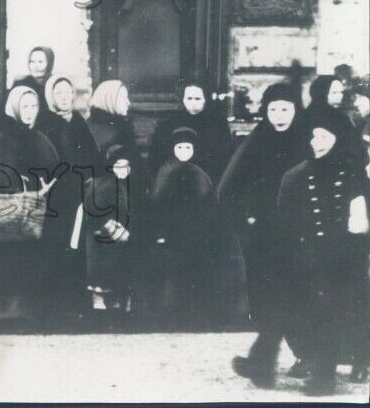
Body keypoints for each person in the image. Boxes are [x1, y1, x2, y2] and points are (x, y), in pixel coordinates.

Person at [222, 83, 312, 388]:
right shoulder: (258, 139)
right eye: (273, 109)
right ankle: (285, 359)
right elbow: (229, 188)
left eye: (285, 108)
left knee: (291, 296)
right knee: (273, 298)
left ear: (296, 109)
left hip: (303, 233)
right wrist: (245, 220)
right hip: (266, 234)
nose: (278, 115)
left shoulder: (308, 139)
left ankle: (265, 362)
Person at [276, 108, 370, 395]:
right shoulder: (300, 173)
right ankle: (313, 359)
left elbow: (359, 225)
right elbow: (288, 221)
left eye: (324, 136)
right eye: (313, 136)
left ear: (338, 138)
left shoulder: (353, 172)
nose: (317, 142)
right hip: (310, 253)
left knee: (339, 303)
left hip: (348, 255)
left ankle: (338, 369)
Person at [0, 85, 61, 326]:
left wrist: (47, 185)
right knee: (9, 258)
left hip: (36, 207)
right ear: (15, 108)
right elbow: (0, 173)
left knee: (29, 259)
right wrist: (25, 189)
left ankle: (26, 312)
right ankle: (3, 313)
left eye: (33, 106)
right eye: (24, 106)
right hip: (14, 206)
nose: (30, 111)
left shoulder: (39, 136)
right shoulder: (5, 137)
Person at [35, 74, 100, 324]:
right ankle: (52, 305)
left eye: (67, 92)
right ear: (51, 96)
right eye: (59, 93)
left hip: (78, 192)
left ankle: (74, 303)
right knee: (55, 245)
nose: (64, 97)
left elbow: (92, 156)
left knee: (77, 246)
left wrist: (90, 179)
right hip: (55, 195)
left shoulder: (79, 123)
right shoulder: (45, 122)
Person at [148, 127, 220, 328]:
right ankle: (170, 314)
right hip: (173, 232)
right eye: (179, 147)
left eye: (188, 147)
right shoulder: (166, 171)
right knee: (173, 272)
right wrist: (160, 232)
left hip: (196, 232)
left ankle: (194, 313)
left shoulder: (200, 173)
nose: (184, 151)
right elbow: (157, 203)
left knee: (195, 270)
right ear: (173, 149)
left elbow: (208, 202)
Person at [82, 144, 141, 319]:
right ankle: (99, 304)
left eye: (126, 166)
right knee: (101, 272)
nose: (122, 170)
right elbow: (93, 210)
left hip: (117, 236)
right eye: (118, 166)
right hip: (102, 235)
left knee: (115, 269)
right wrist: (110, 226)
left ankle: (115, 304)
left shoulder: (124, 185)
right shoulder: (105, 184)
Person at [150, 79, 234, 182]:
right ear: (183, 99)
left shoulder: (217, 125)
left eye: (197, 99)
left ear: (205, 99)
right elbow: (157, 158)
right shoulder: (170, 124)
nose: (193, 103)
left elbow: (224, 159)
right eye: (189, 98)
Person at [85, 80, 136, 159]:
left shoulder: (92, 124)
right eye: (123, 98)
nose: (128, 102)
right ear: (109, 100)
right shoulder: (111, 133)